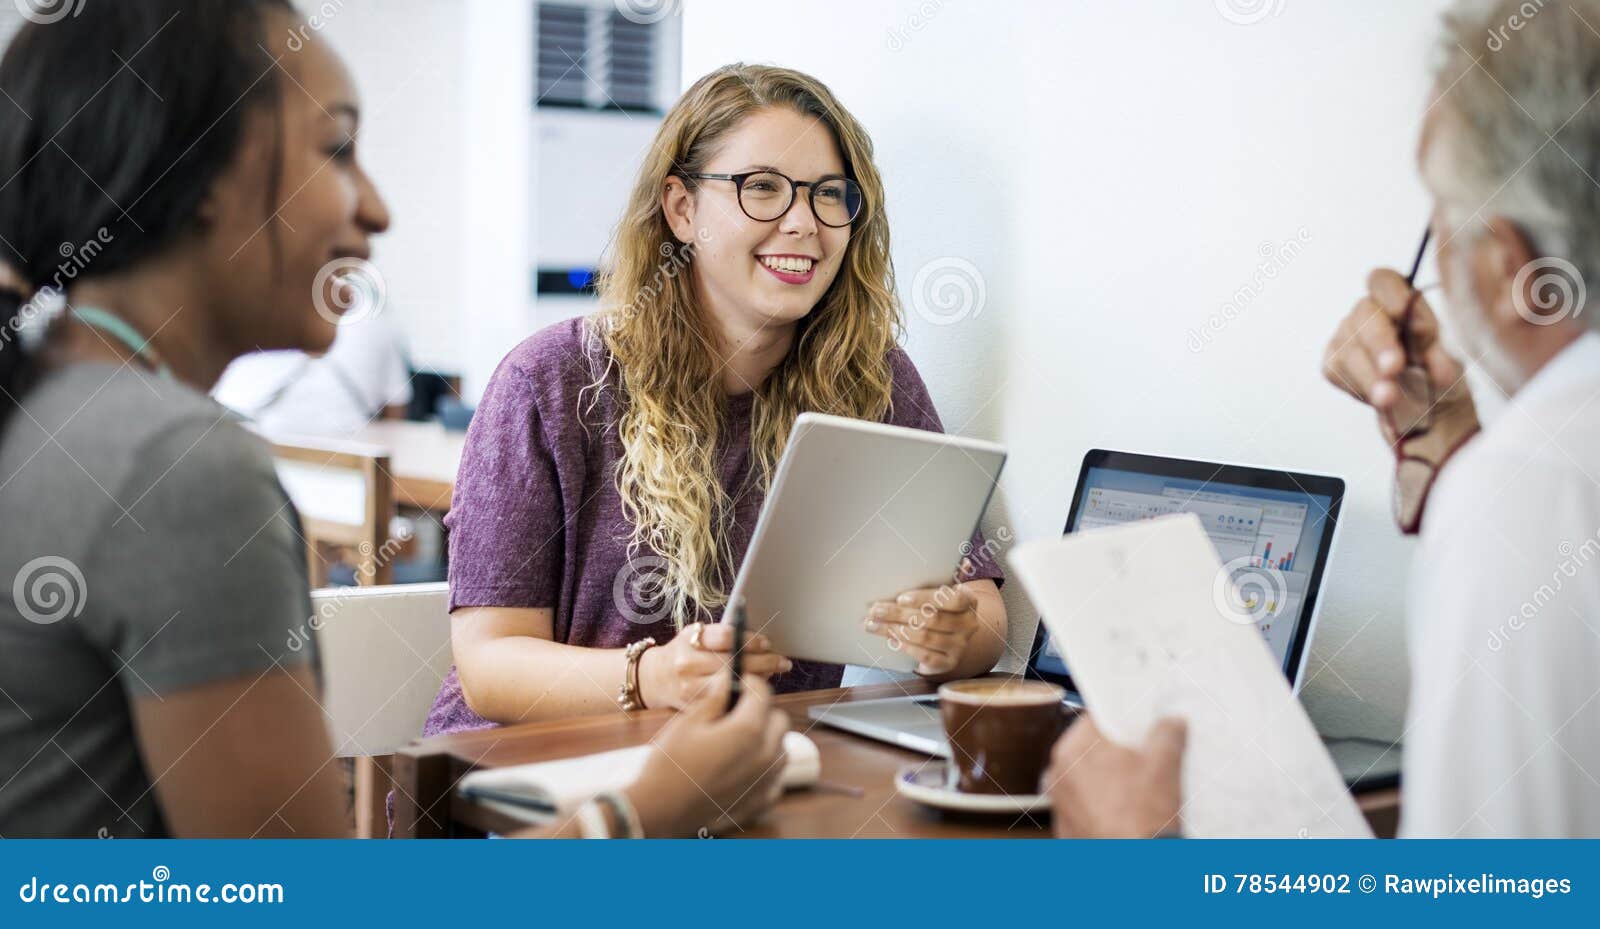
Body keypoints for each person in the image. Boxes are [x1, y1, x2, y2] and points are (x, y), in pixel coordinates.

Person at [0, 0, 787, 840]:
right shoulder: (175, 467)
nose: (377, 208)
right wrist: (642, 808)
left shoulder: (56, 403)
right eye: (336, 149)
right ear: (203, 172)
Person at [1047, 0, 1600, 838]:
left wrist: (1141, 851)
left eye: (1439, 218)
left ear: (1506, 265)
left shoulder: (1531, 489)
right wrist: (1453, 455)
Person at [430, 64, 1009, 734]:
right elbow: (489, 664)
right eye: (763, 188)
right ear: (681, 210)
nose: (803, 223)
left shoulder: (872, 379)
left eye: (829, 195)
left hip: (750, 775)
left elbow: (984, 610)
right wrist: (652, 677)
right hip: (533, 789)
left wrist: (953, 636)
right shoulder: (548, 381)